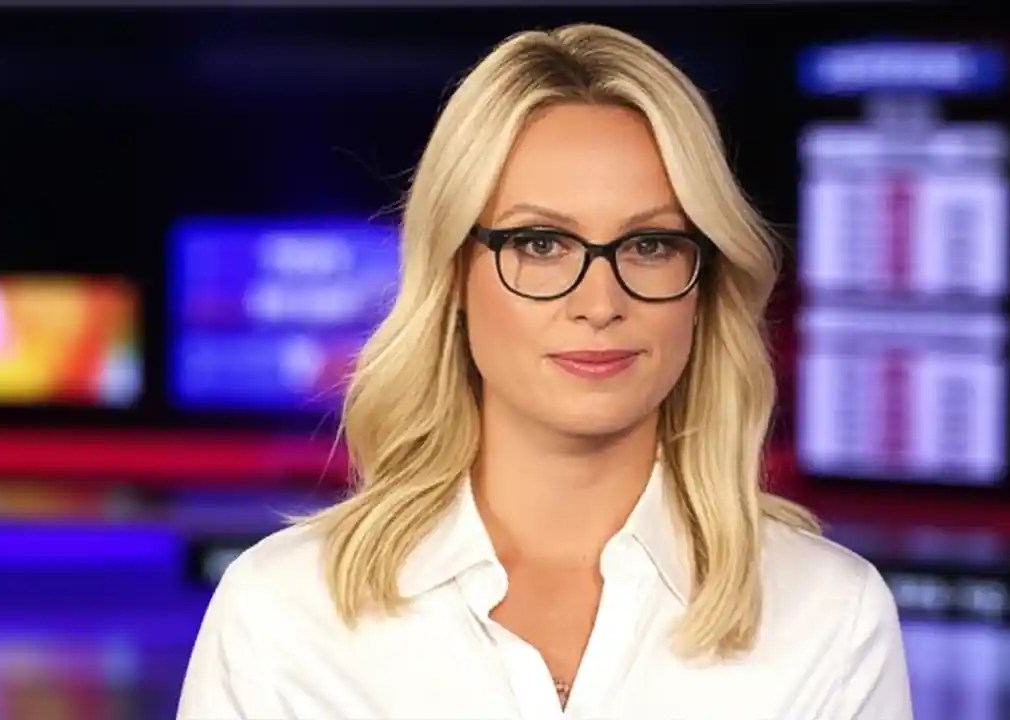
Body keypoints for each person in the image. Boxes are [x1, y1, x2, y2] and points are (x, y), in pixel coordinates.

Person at [176, 22, 913, 720]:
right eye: (540, 244)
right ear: (453, 274)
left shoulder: (829, 616)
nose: (601, 303)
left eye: (650, 246)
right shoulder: (284, 614)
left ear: (704, 284)